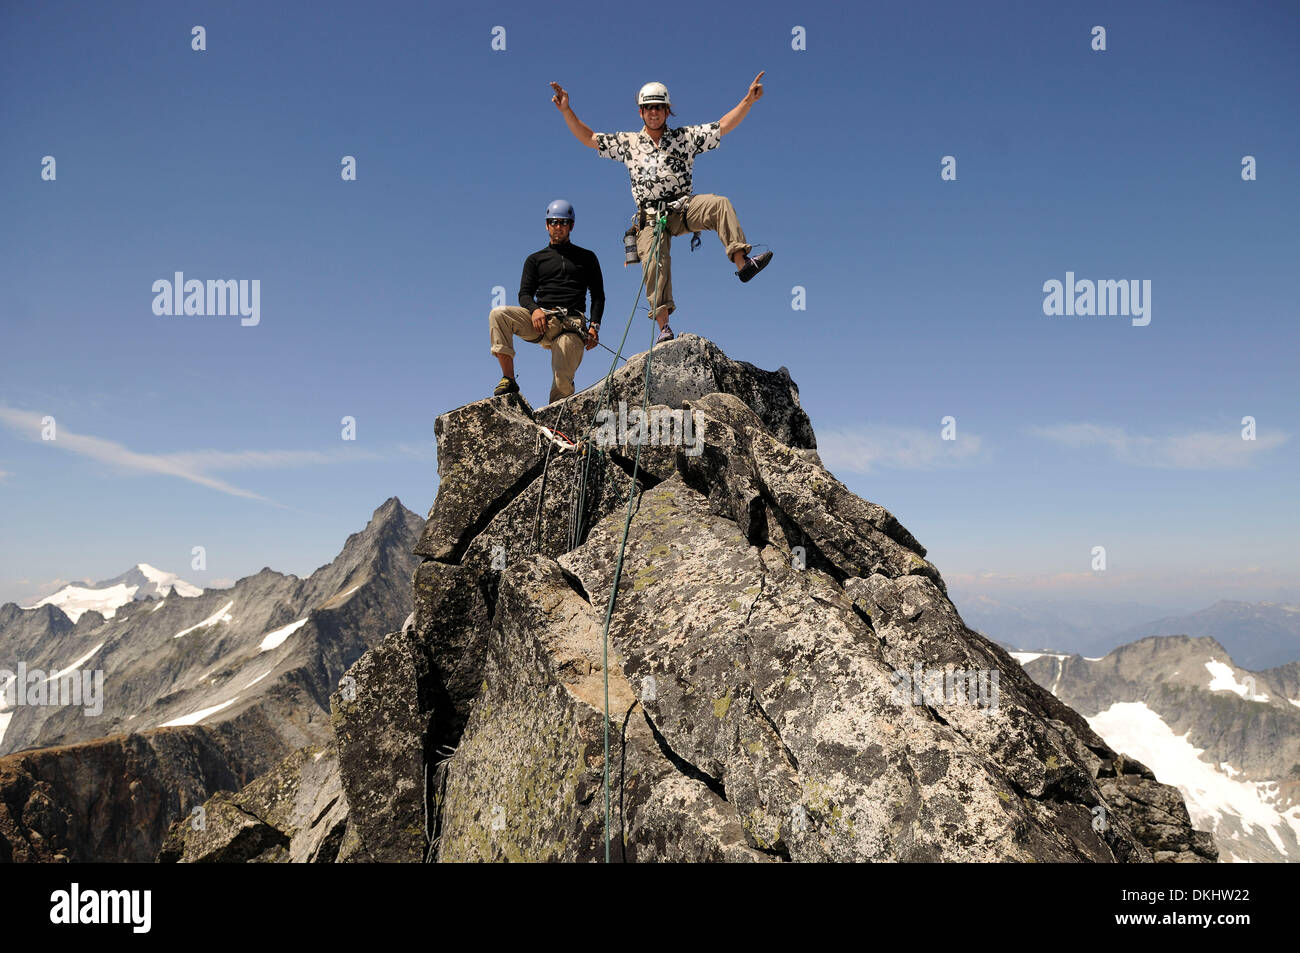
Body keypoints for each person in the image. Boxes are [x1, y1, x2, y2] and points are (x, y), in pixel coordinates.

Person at [550, 74, 773, 343]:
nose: (654, 112)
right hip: (650, 217)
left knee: (719, 204)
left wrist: (748, 100)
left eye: (659, 107)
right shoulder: (628, 143)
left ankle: (742, 263)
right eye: (649, 107)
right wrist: (566, 110)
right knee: (655, 261)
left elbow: (723, 126)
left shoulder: (685, 137)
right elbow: (589, 138)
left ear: (667, 110)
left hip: (682, 208)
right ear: (641, 111)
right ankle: (664, 328)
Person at [489, 200, 604, 403]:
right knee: (499, 314)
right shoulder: (535, 260)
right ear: (546, 225)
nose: (557, 227)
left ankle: (557, 416)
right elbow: (524, 293)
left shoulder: (587, 258)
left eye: (563, 222)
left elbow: (598, 295)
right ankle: (508, 379)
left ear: (572, 226)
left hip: (572, 325)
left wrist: (594, 326)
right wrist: (534, 310)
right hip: (543, 320)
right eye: (553, 222)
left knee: (562, 377)